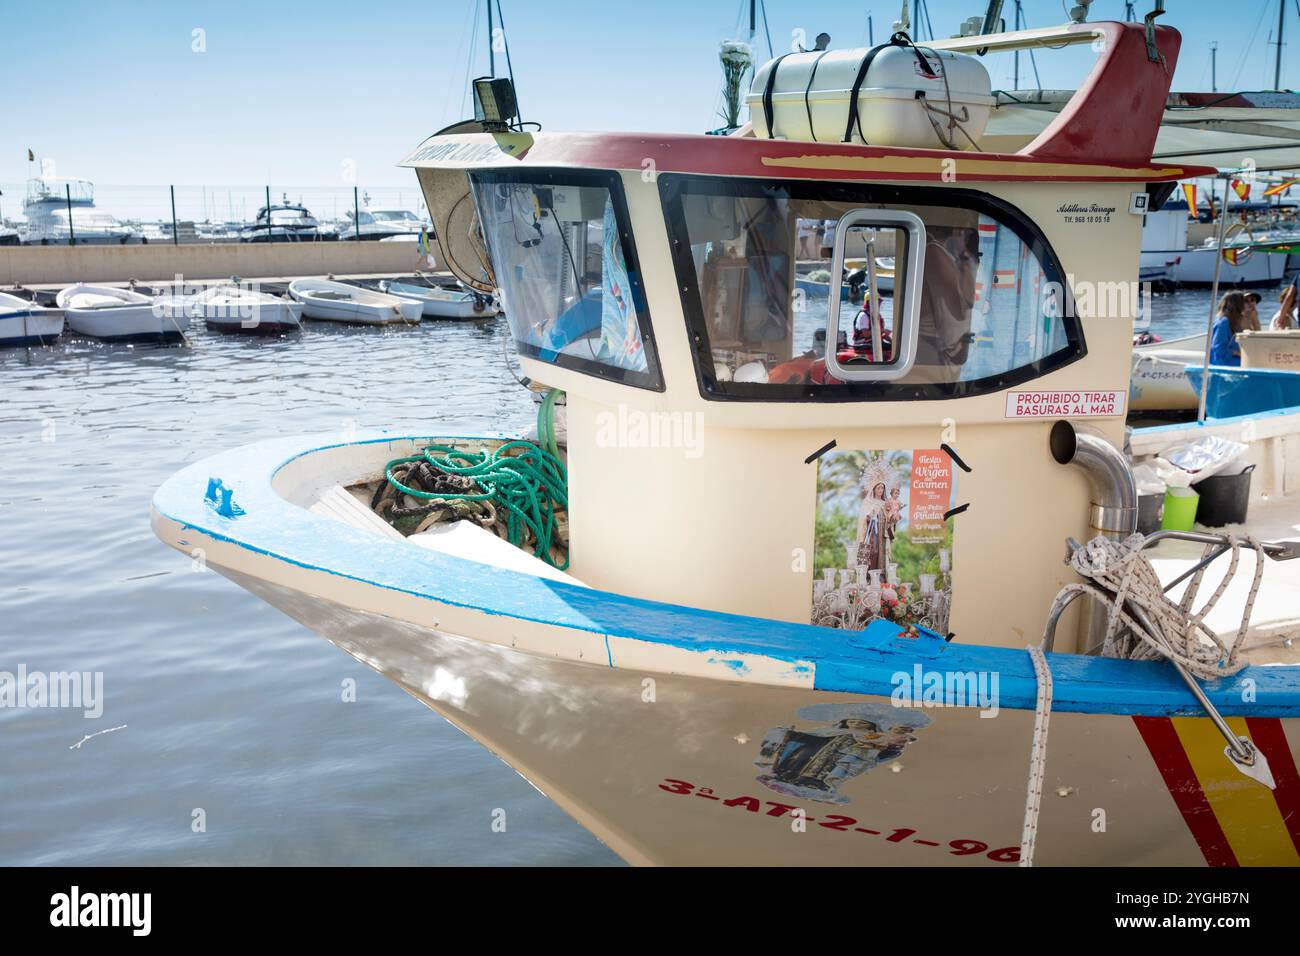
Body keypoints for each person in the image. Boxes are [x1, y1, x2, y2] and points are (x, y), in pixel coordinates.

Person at [1209, 290, 1250, 366]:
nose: (1248, 304)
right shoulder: (1223, 323)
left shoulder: (1236, 322)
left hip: (1235, 363)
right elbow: (1218, 351)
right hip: (1223, 366)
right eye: (1246, 301)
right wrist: (1237, 353)